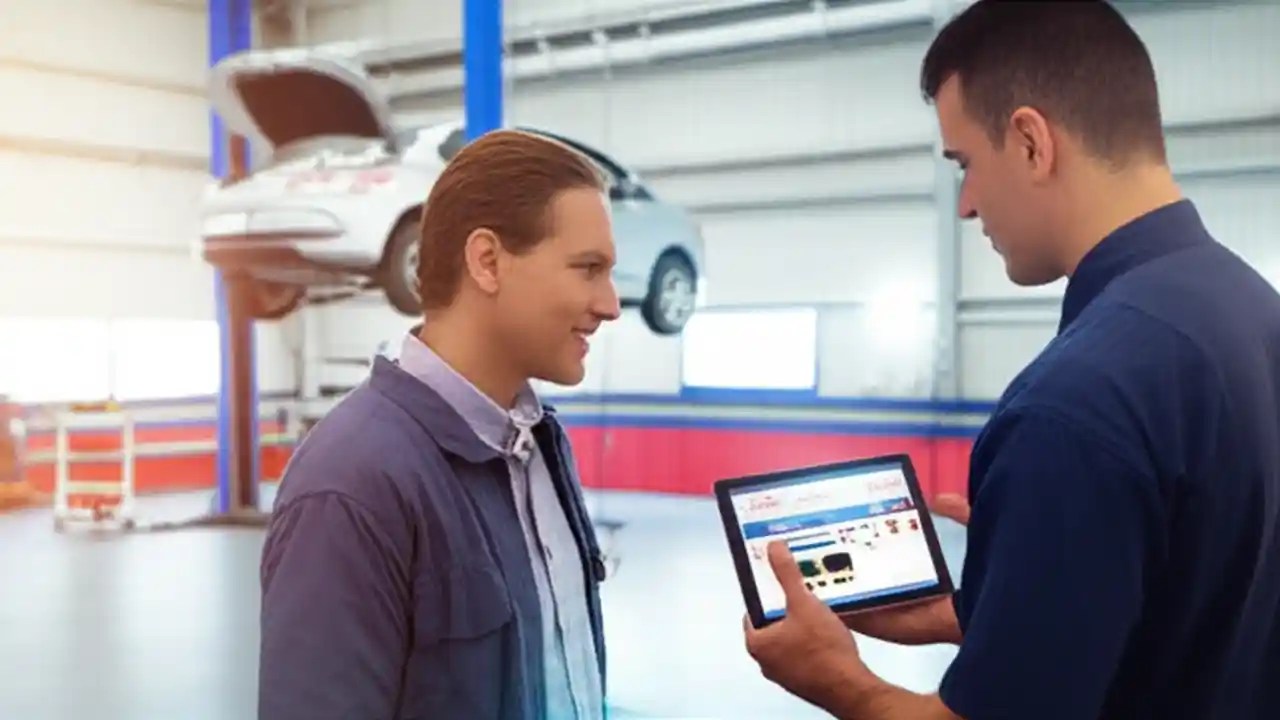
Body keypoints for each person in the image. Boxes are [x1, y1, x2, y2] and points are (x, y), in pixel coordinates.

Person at [743, 2, 1280, 719]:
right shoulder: (1252, 310)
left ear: (1030, 142)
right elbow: (1196, 603)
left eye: (964, 163)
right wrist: (1004, 605)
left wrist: (837, 678)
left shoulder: (1077, 402)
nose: (964, 205)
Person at [258, 129, 622, 719]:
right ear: (487, 262)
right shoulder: (351, 486)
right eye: (587, 269)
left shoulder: (539, 449)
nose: (611, 304)